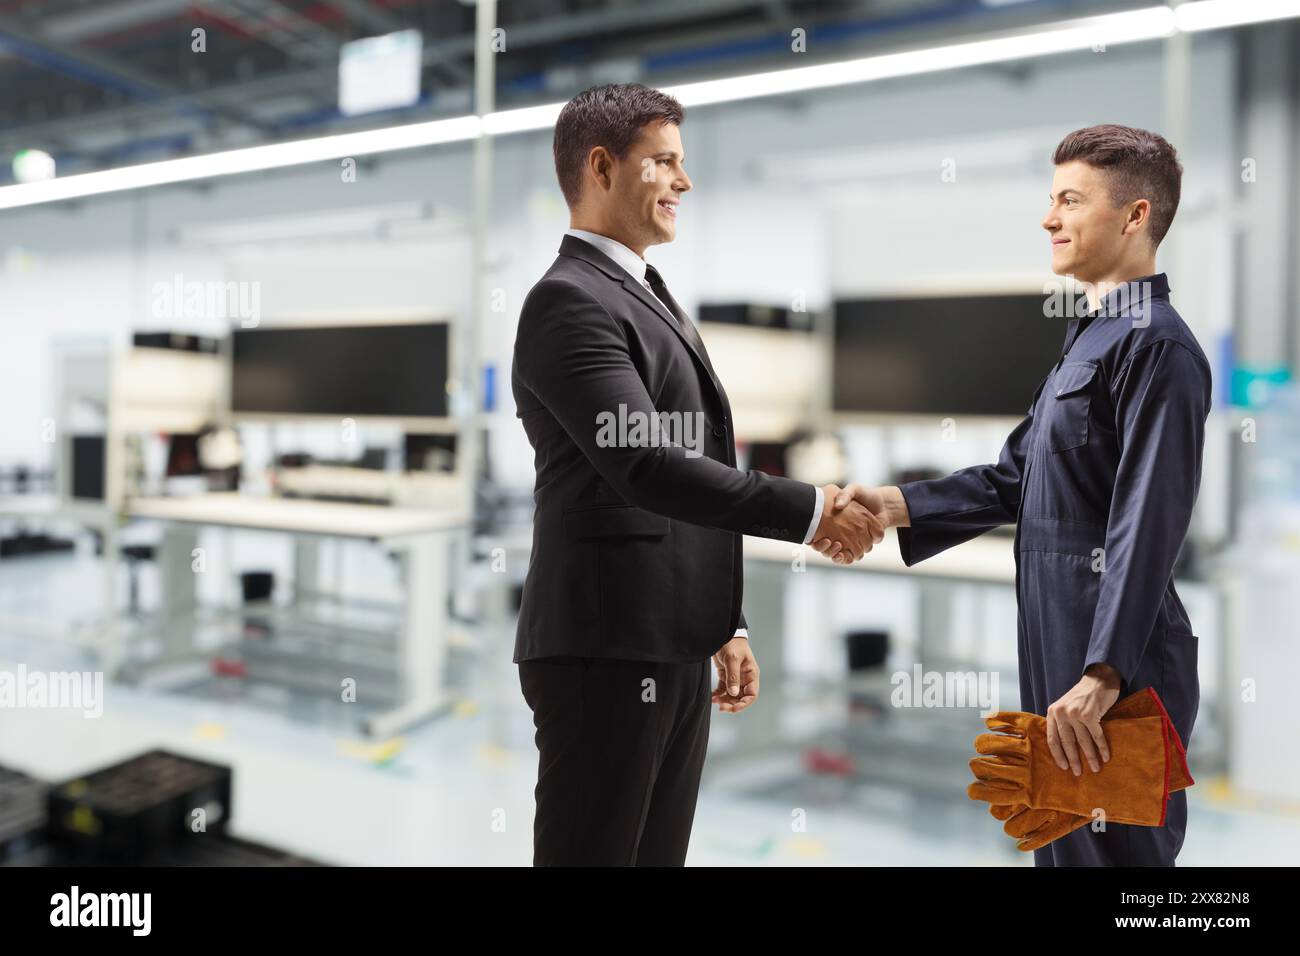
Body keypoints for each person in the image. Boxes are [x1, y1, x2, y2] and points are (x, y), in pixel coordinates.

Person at [818, 124, 1211, 866]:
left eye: (1070, 200)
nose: (1049, 218)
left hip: (1114, 659)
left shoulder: (1158, 344)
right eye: (1050, 199)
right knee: (1063, 849)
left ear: (1135, 217)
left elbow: (1146, 524)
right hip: (1061, 640)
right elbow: (1015, 478)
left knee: (1119, 861)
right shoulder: (1089, 337)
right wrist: (894, 505)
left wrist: (1104, 673)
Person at [511, 83, 883, 866]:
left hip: (668, 640)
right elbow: (646, 464)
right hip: (603, 649)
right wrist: (813, 512)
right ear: (604, 167)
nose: (685, 181)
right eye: (666, 163)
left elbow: (697, 469)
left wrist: (726, 622)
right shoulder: (567, 301)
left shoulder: (646, 293)